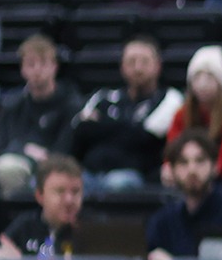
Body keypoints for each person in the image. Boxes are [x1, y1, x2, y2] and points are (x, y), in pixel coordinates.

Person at [63, 35, 182, 192]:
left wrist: (101, 126)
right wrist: (128, 128)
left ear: (158, 65)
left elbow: (147, 139)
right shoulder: (103, 97)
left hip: (136, 176)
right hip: (91, 172)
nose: (137, 68)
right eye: (131, 61)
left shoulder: (170, 99)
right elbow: (79, 130)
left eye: (144, 61)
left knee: (117, 185)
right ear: (122, 66)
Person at [144, 131, 222, 260]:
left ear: (216, 166)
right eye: (183, 162)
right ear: (172, 170)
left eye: (200, 161)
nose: (192, 170)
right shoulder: (162, 223)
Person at [0, 35, 83, 198]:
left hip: (58, 172)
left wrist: (42, 156)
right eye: (31, 64)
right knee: (8, 168)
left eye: (43, 63)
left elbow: (67, 150)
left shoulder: (71, 103)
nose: (37, 70)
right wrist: (26, 149)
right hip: (20, 169)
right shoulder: (12, 104)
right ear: (22, 69)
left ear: (54, 66)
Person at [166, 45, 222, 181]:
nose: (202, 84)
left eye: (210, 77)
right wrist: (169, 166)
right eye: (197, 77)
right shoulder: (183, 112)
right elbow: (173, 146)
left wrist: (206, 170)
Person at [0, 154, 84, 260]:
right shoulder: (24, 226)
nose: (69, 200)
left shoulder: (92, 230)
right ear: (40, 195)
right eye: (60, 191)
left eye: (75, 192)